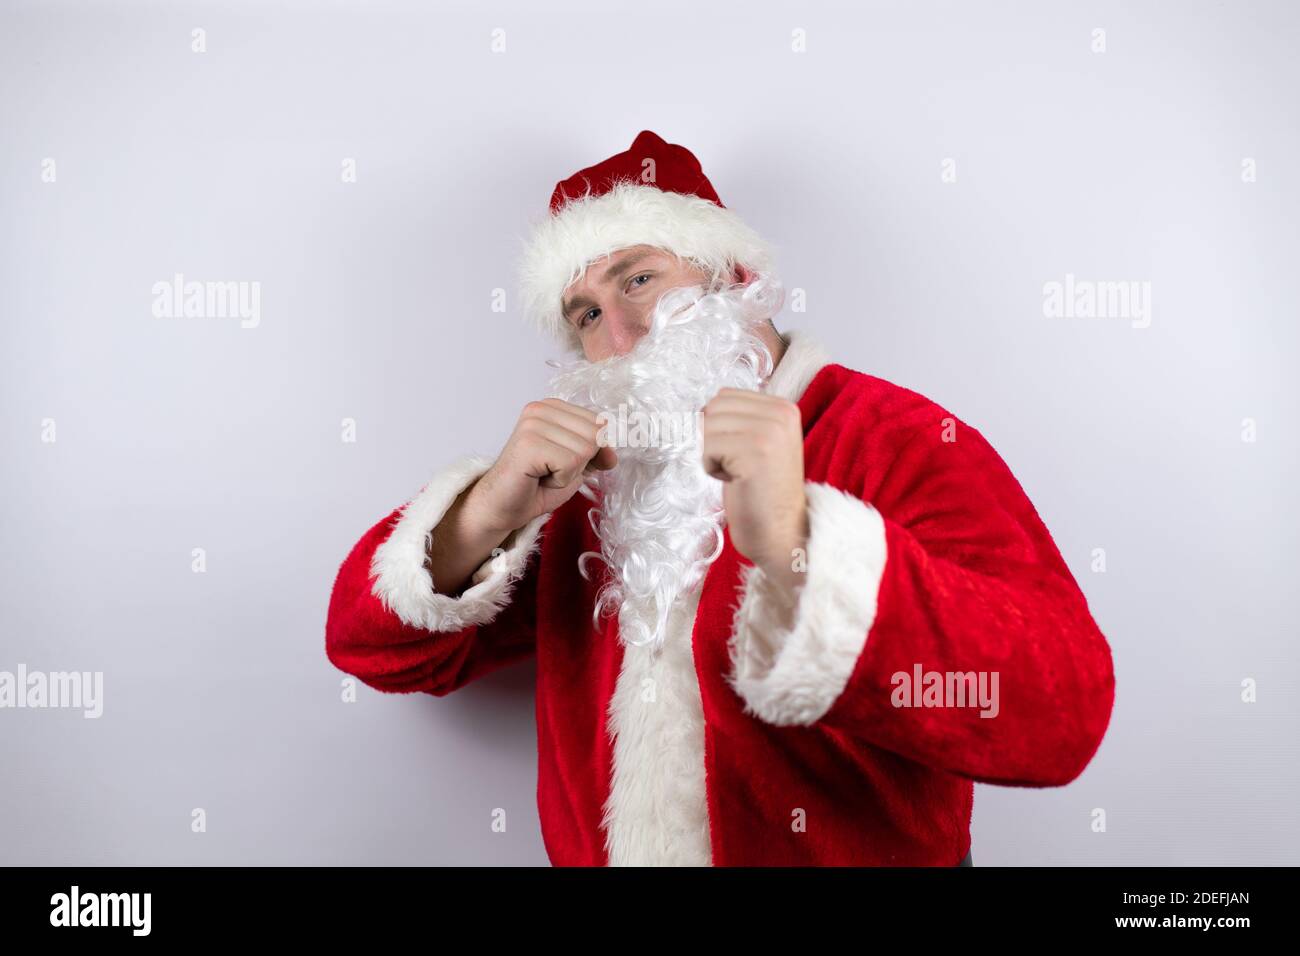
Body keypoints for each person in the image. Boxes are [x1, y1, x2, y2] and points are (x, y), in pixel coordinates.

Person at [325, 130, 1115, 866]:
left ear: (736, 277)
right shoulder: (586, 494)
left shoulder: (893, 436)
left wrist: (803, 546)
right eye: (588, 315)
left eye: (639, 278)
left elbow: (1061, 713)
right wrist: (487, 511)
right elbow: (373, 650)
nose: (622, 336)